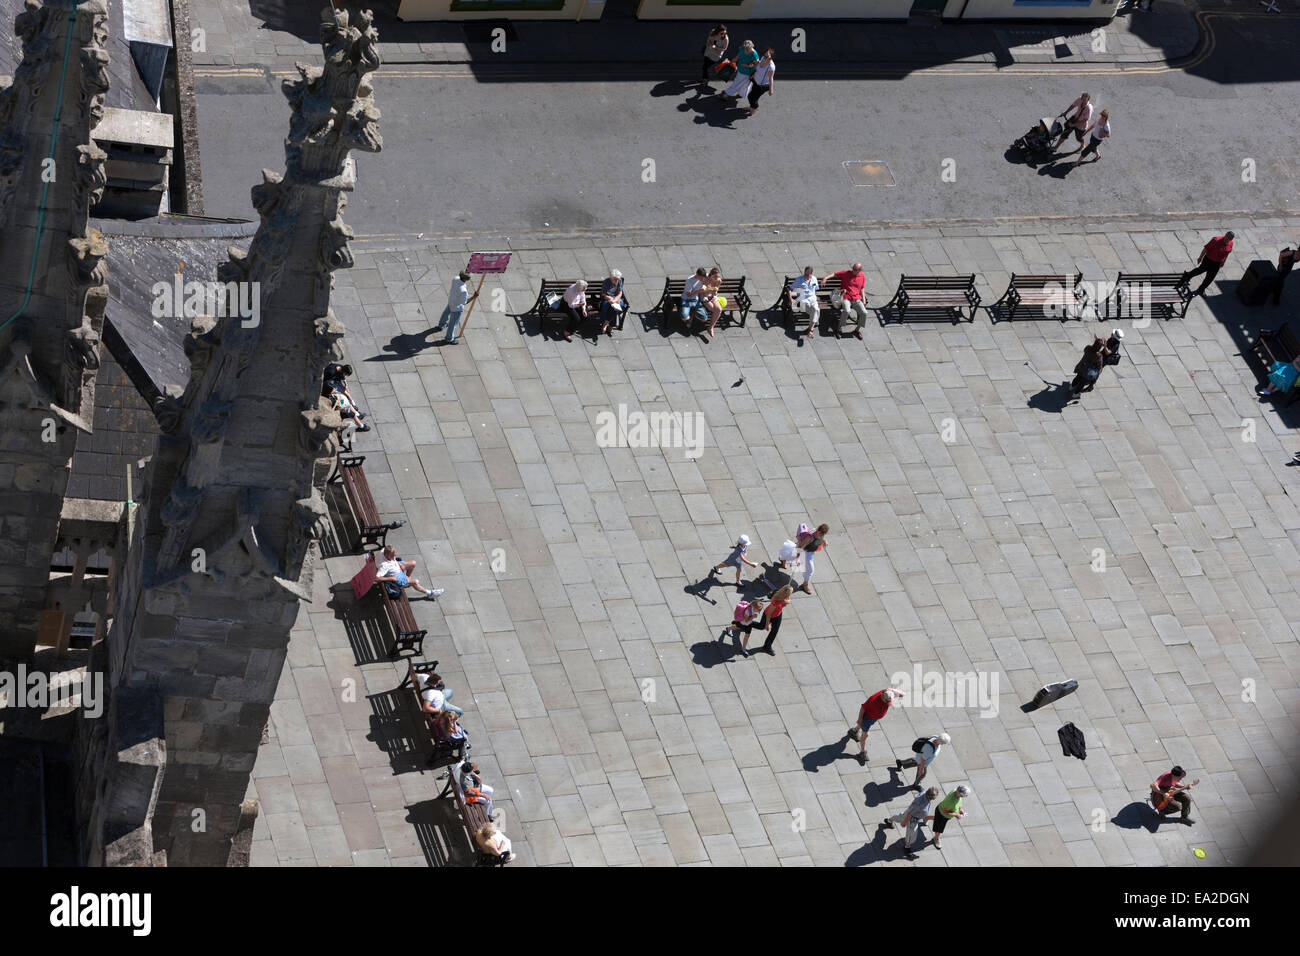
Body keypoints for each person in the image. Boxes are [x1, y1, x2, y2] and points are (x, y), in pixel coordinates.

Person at [849, 687, 904, 764]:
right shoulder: (873, 700)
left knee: (862, 726)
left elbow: (901, 693)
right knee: (865, 735)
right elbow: (863, 708)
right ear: (883, 696)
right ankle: (862, 752)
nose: (888, 703)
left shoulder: (888, 693)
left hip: (873, 718)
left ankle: (854, 731)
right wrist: (860, 719)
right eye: (887, 701)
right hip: (868, 718)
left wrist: (895, 692)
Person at [883, 787, 937, 858]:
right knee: (911, 834)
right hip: (912, 819)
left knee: (900, 817)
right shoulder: (918, 803)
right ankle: (907, 847)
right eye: (933, 798)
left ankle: (889, 821)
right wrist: (904, 823)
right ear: (929, 797)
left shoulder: (925, 794)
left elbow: (922, 790)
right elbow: (909, 813)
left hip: (911, 816)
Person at [375, 544, 442, 600]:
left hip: (396, 567)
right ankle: (430, 593)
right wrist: (391, 578)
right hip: (397, 576)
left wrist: (399, 564)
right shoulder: (384, 566)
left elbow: (393, 559)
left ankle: (407, 580)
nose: (394, 557)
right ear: (387, 555)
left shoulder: (384, 550)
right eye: (393, 556)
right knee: (415, 582)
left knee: (413, 563)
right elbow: (376, 578)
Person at [1181, 231, 1234, 297]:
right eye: (1227, 237)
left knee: (1210, 278)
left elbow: (1227, 253)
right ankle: (1187, 275)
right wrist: (1200, 257)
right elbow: (1206, 249)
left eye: (1229, 239)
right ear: (1225, 235)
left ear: (1231, 239)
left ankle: (1201, 289)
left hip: (1217, 264)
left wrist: (1223, 262)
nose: (1227, 239)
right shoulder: (1216, 240)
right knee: (1200, 270)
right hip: (1208, 260)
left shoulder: (1231, 243)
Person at [824, 262, 867, 339]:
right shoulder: (846, 273)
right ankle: (839, 329)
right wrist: (825, 278)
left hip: (856, 299)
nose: (853, 270)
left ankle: (857, 330)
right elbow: (835, 274)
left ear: (859, 270)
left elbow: (862, 288)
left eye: (855, 269)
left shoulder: (862, 276)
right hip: (846, 297)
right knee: (847, 311)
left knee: (864, 313)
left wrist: (863, 298)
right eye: (853, 268)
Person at [751, 584, 793, 657]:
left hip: (778, 615)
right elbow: (769, 614)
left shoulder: (784, 597)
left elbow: (789, 601)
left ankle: (767, 647)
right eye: (790, 594)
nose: (790, 595)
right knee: (761, 626)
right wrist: (767, 625)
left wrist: (786, 601)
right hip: (768, 615)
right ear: (785, 594)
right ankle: (746, 623)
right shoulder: (776, 601)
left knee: (774, 631)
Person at [437, 270, 476, 345]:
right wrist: (474, 296)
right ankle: (449, 338)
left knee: (446, 313)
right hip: (457, 308)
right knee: (453, 324)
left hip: (451, 301)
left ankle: (441, 325)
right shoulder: (463, 291)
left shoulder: (455, 279)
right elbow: (464, 302)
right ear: (466, 279)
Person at [794, 523, 828, 595]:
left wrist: (824, 541)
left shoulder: (820, 534)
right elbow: (800, 546)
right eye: (821, 534)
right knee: (810, 570)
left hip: (810, 553)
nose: (821, 536)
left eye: (823, 535)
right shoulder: (809, 537)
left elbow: (822, 538)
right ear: (818, 531)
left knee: (808, 569)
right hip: (805, 553)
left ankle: (783, 559)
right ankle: (805, 585)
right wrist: (798, 558)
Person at [788, 266, 820, 335]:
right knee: (815, 312)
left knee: (816, 309)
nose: (807, 275)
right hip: (803, 301)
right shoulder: (799, 279)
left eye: (808, 274)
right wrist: (791, 299)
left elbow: (815, 289)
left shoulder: (814, 279)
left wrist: (815, 296)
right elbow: (790, 289)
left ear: (811, 273)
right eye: (806, 273)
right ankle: (812, 326)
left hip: (813, 300)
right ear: (804, 272)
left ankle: (810, 329)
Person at [745, 48, 775, 116]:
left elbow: (771, 78)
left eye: (767, 56)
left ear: (771, 57)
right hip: (756, 81)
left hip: (762, 86)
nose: (765, 57)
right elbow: (758, 68)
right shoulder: (762, 58)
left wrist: (771, 90)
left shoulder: (771, 67)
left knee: (751, 97)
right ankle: (752, 106)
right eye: (764, 55)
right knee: (752, 96)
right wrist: (753, 74)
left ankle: (754, 108)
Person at [598, 269, 628, 335]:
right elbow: (603, 294)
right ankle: (611, 325)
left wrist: (615, 299)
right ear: (611, 278)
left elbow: (620, 293)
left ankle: (605, 323)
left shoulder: (619, 280)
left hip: (616, 298)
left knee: (614, 307)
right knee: (612, 307)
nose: (617, 281)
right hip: (608, 298)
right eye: (615, 279)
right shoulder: (606, 281)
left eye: (618, 279)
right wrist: (611, 299)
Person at [700, 24, 729, 90]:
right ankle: (704, 78)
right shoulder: (712, 32)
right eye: (722, 33)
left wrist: (716, 47)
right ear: (717, 31)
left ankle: (705, 79)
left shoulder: (725, 39)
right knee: (705, 65)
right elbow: (708, 40)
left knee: (705, 67)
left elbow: (724, 49)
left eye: (725, 33)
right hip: (708, 52)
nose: (724, 35)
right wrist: (709, 44)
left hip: (716, 55)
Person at [701, 267, 724, 338]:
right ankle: (710, 323)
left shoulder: (718, 280)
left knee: (719, 309)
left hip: (712, 296)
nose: (717, 278)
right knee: (714, 309)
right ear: (711, 275)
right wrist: (711, 290)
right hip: (704, 296)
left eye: (718, 276)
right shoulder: (705, 280)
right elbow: (704, 293)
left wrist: (715, 292)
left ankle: (711, 327)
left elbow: (716, 291)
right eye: (715, 276)